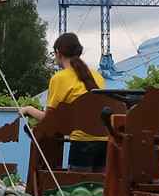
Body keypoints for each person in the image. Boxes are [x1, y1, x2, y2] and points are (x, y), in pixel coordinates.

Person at [19, 32, 107, 171]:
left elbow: (49, 118)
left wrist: (28, 109)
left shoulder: (60, 78)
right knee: (98, 189)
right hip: (105, 143)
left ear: (58, 53)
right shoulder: (98, 76)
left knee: (78, 189)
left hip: (82, 143)